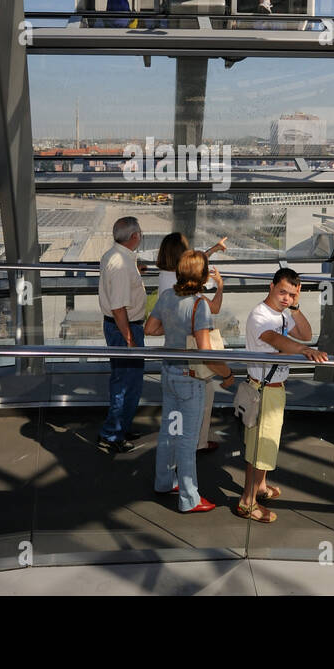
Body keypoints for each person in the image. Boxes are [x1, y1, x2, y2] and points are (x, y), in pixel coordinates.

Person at [144, 251, 236, 512]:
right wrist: (228, 374)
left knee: (168, 433)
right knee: (187, 440)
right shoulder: (199, 305)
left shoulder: (167, 297)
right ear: (203, 275)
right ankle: (189, 498)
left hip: (168, 375)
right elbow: (205, 353)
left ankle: (164, 482)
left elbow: (150, 329)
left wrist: (175, 329)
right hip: (189, 379)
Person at [236, 267, 327, 524]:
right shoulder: (260, 316)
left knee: (265, 445)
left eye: (291, 295)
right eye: (282, 292)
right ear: (271, 287)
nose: (286, 298)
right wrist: (304, 351)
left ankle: (261, 488)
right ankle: (247, 502)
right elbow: (277, 340)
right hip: (263, 391)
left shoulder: (284, 314)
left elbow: (306, 333)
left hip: (274, 388)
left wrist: (296, 310)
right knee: (258, 450)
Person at [153, 232, 228, 454]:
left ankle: (165, 477)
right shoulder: (194, 298)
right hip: (191, 367)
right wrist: (220, 287)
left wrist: (213, 249)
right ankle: (197, 447)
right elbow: (213, 311)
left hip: (170, 363)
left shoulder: (167, 282)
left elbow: (151, 327)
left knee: (171, 421)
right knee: (200, 407)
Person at [97, 215, 147, 454]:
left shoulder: (117, 257)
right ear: (134, 236)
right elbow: (118, 308)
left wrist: (136, 274)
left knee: (129, 382)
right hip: (124, 328)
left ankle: (121, 427)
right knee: (124, 383)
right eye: (140, 233)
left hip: (123, 327)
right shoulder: (120, 264)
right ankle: (111, 434)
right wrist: (130, 340)